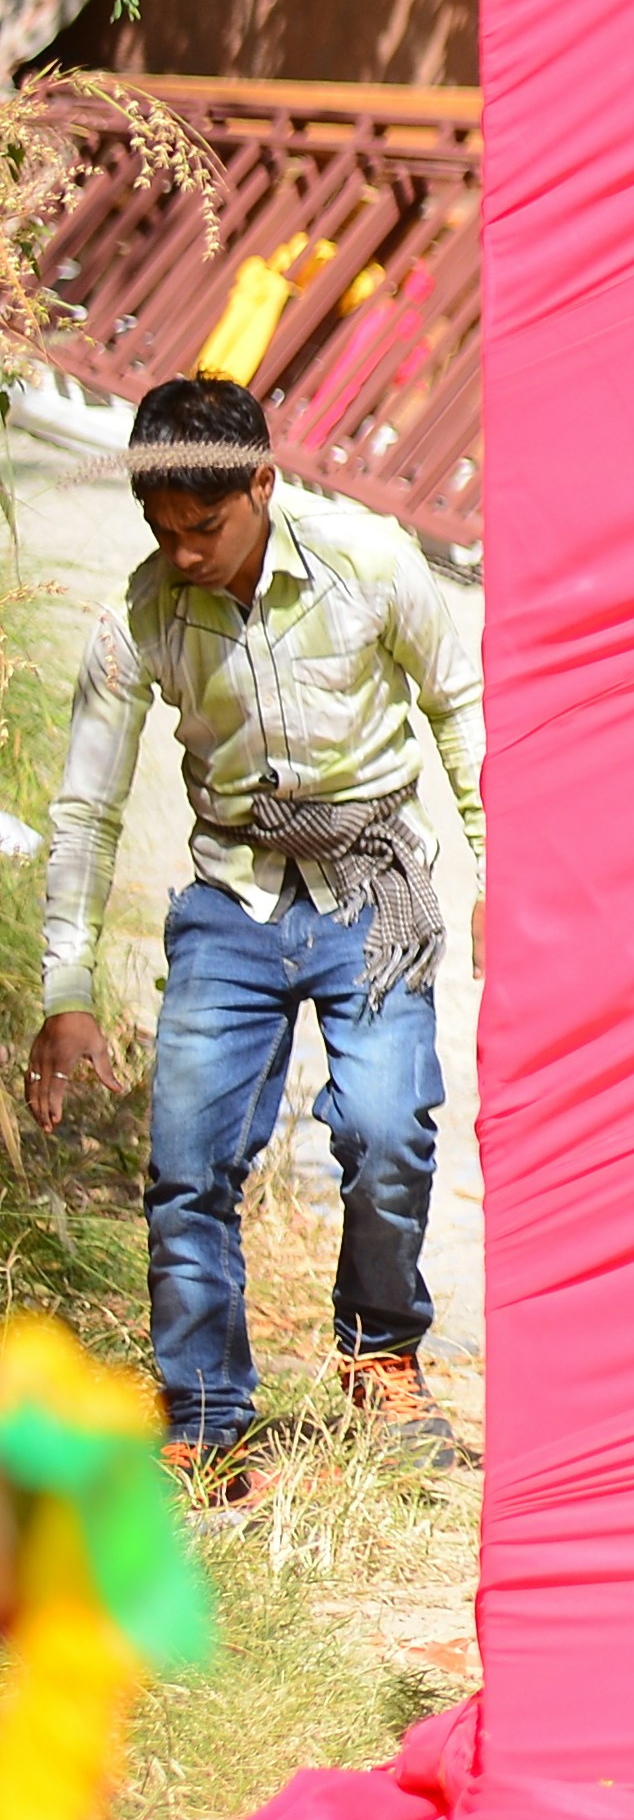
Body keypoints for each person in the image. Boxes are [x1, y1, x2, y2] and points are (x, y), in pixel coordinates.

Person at [19, 377, 485, 1493]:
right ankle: (205, 1413)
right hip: (232, 897)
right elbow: (86, 805)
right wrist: (67, 985)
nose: (184, 552)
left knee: (387, 1131)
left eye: (206, 526)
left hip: (372, 886)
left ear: (263, 485)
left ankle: (380, 1356)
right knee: (186, 1166)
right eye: (164, 529)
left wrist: (493, 875)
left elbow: (460, 702)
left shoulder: (367, 562)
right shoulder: (139, 616)